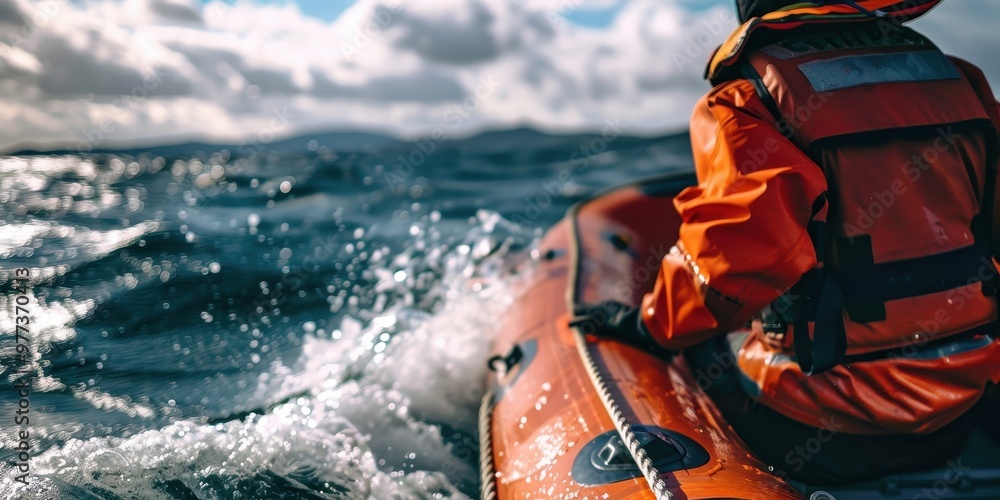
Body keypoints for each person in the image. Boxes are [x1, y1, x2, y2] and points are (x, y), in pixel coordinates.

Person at [573, 0, 1000, 485]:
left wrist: (649, 328)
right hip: (963, 407)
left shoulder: (750, 99)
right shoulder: (963, 83)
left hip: (821, 428)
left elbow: (734, 264)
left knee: (700, 341)